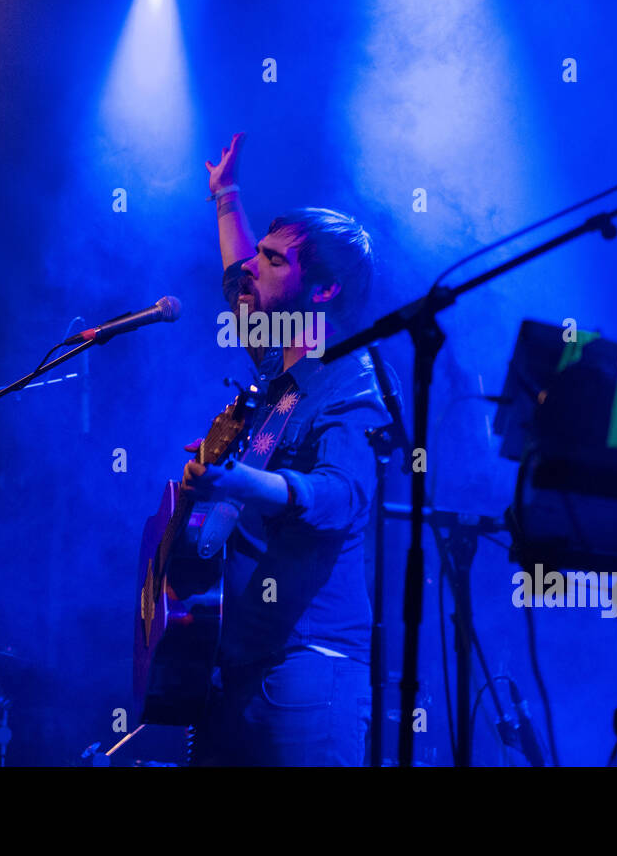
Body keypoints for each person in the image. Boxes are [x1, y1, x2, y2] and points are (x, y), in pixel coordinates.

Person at [179, 131, 395, 766]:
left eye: (274, 260)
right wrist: (226, 198)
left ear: (323, 291)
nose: (253, 264)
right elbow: (236, 284)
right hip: (240, 668)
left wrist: (239, 481)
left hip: (307, 670)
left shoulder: (352, 379)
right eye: (261, 254)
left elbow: (340, 498)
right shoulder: (279, 368)